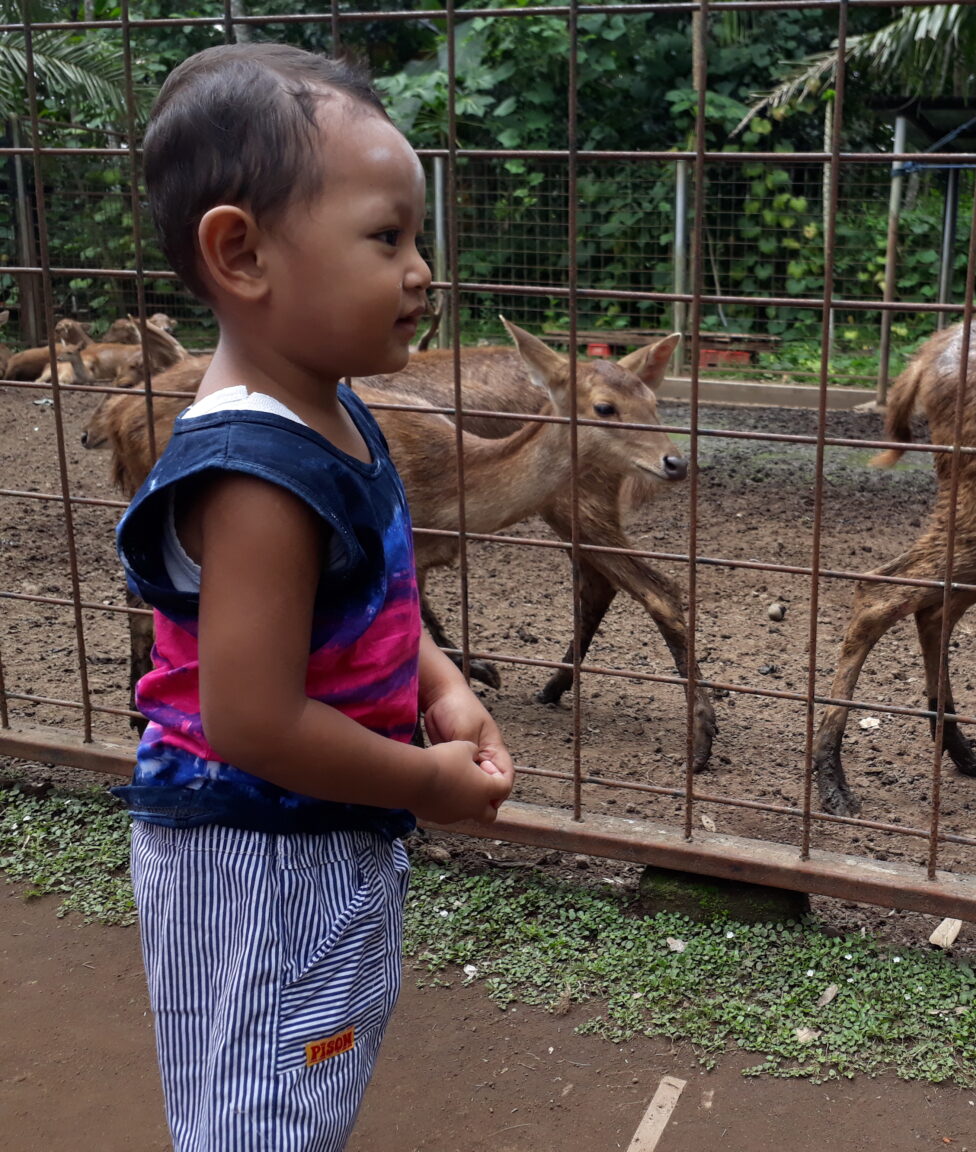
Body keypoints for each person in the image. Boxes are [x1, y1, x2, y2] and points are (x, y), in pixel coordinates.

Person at [113, 43, 513, 1151]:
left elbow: (370, 594)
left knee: (302, 1082)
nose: (421, 269)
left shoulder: (328, 406)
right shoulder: (252, 476)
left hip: (318, 834)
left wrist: (440, 686)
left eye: (414, 237)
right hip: (260, 860)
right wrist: (425, 783)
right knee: (262, 1115)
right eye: (387, 237)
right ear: (241, 254)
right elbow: (252, 720)